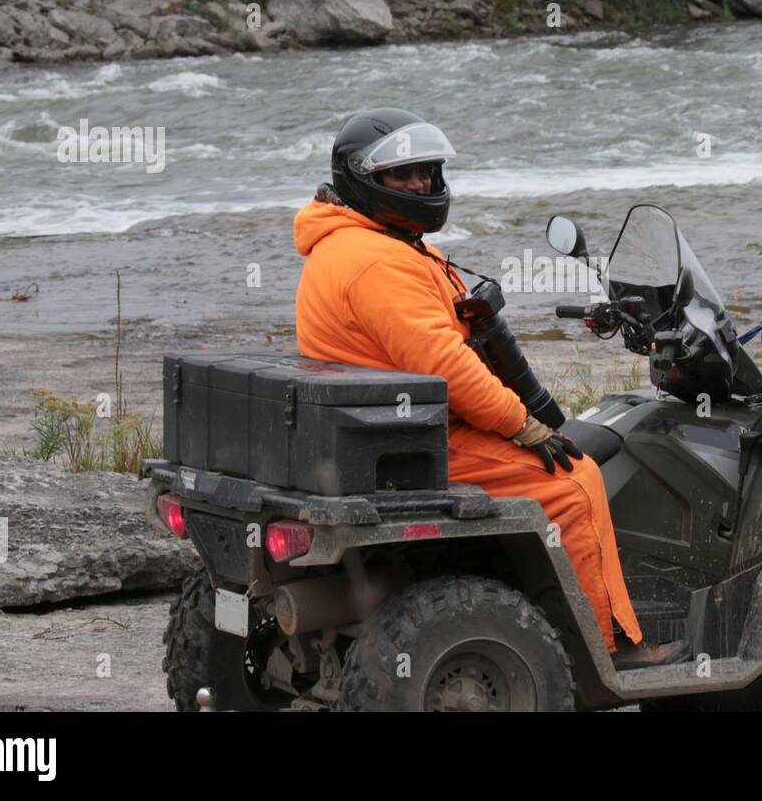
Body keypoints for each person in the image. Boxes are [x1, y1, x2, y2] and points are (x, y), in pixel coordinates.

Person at [293, 107, 686, 668]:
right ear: (363, 179)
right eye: (402, 175)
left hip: (383, 426)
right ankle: (613, 644)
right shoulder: (374, 260)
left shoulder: (369, 240)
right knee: (574, 483)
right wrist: (520, 424)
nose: (421, 184)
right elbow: (445, 364)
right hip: (421, 439)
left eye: (427, 172)